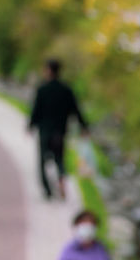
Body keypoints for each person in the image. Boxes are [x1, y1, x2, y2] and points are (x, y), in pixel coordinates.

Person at [30, 58, 90, 200]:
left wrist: (30, 125)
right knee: (59, 160)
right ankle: (61, 179)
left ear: (49, 70)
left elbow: (36, 109)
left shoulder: (42, 89)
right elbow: (76, 109)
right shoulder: (66, 89)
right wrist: (84, 126)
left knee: (42, 161)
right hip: (60, 131)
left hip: (45, 131)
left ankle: (48, 191)